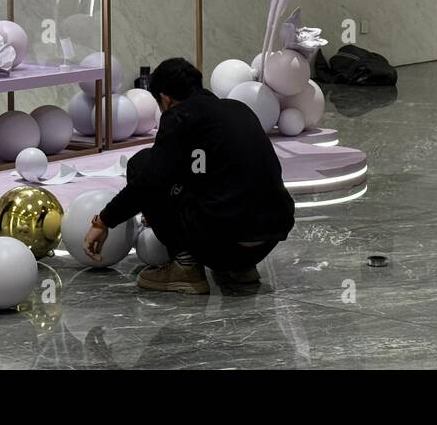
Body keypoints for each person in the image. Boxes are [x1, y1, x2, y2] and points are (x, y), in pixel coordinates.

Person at [82, 57, 296, 294]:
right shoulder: (238, 108)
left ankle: (185, 266)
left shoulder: (179, 117)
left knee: (141, 163)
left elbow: (148, 182)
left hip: (224, 241)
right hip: (268, 237)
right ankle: (239, 268)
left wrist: (103, 220)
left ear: (165, 98)